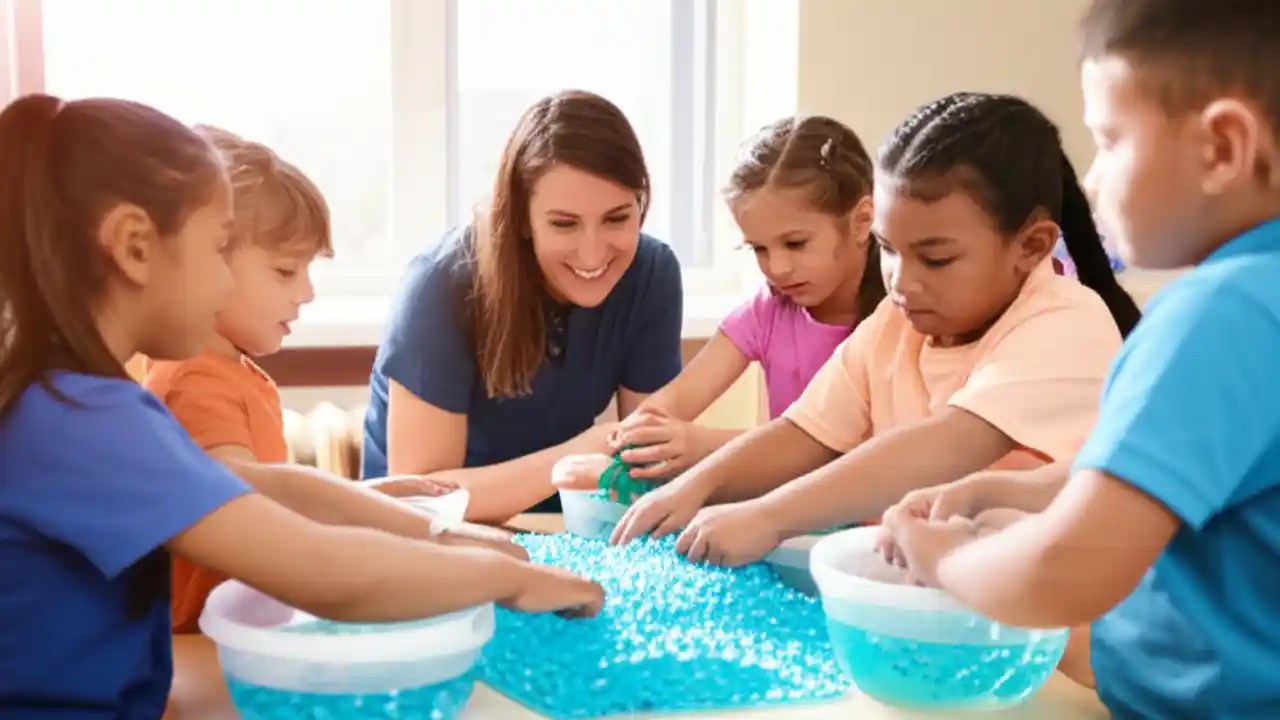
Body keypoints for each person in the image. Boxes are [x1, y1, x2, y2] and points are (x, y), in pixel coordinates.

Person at [0, 94, 603, 718]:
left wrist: (436, 531)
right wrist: (509, 580)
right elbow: (327, 572)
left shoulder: (68, 405)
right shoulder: (84, 422)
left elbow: (261, 485)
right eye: (217, 248)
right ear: (134, 247)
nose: (225, 279)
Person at [882, 1, 1280, 717]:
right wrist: (996, 493)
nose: (1090, 184)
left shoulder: (1220, 316)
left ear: (1222, 148)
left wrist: (939, 559)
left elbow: (1066, 572)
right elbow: (1148, 473)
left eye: (1110, 140)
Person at [612, 92, 1141, 570]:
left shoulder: (1067, 322)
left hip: (1048, 631)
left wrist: (769, 516)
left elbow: (949, 444)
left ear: (1030, 246)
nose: (902, 282)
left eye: (935, 259)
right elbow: (806, 433)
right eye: (889, 250)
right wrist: (696, 485)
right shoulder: (895, 320)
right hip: (922, 599)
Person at [145, 125, 523, 634]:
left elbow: (271, 511)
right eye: (284, 271)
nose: (306, 293)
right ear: (205, 256)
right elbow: (260, 491)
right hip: (202, 645)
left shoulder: (232, 373)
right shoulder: (194, 383)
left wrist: (375, 496)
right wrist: (439, 533)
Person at [361, 90, 684, 521]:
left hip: (556, 520)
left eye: (617, 218)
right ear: (521, 218)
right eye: (564, 224)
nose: (593, 254)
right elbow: (423, 501)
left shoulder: (652, 274)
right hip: (425, 538)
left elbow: (648, 458)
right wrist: (582, 452)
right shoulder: (440, 285)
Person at [552, 116, 884, 488]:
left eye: (795, 243)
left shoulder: (896, 322)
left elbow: (852, 454)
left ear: (861, 220)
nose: (777, 268)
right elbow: (672, 402)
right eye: (759, 248)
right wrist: (633, 437)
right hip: (788, 518)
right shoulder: (767, 310)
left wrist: (703, 446)